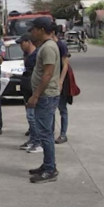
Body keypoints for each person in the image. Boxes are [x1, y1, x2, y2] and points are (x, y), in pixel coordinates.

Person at [26, 18, 61, 184]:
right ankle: (47, 164)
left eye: (33, 29)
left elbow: (47, 74)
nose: (31, 32)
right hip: (46, 95)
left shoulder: (48, 48)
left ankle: (50, 169)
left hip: (46, 96)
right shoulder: (46, 46)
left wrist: (36, 95)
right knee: (44, 132)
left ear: (41, 29)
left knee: (45, 134)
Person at [17, 35, 42, 153]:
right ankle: (33, 139)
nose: (20, 46)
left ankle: (38, 142)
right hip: (27, 89)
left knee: (33, 117)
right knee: (30, 116)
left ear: (28, 42)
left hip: (33, 90)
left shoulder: (37, 55)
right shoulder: (28, 56)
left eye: (22, 43)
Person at [53, 32, 71, 144]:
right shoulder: (49, 45)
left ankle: (63, 134)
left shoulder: (61, 45)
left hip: (61, 82)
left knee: (62, 109)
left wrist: (60, 82)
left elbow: (65, 65)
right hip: (52, 80)